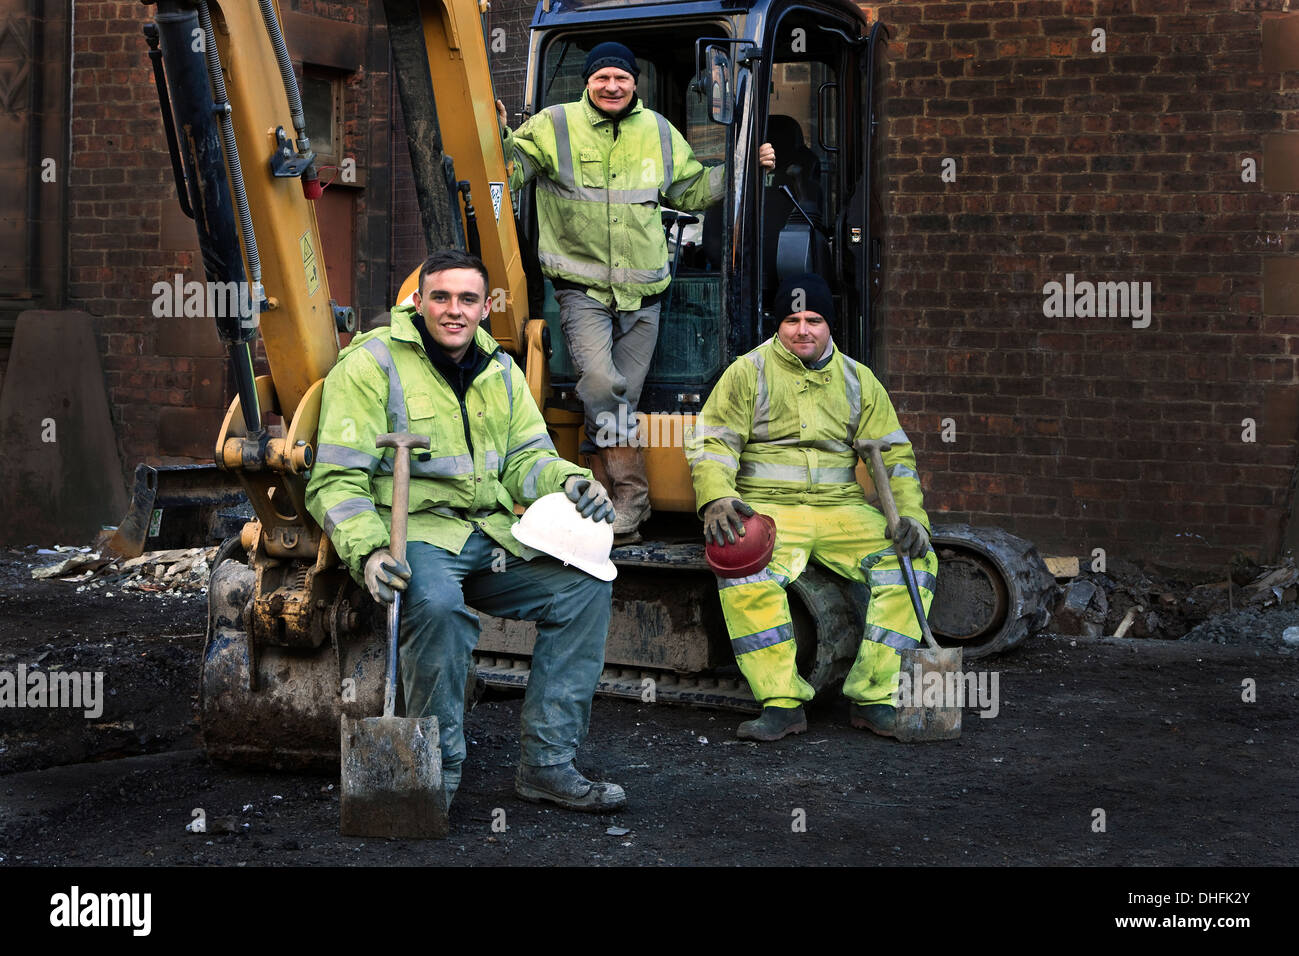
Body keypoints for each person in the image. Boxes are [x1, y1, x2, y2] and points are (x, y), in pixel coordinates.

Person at [305, 249, 626, 812]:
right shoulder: (372, 365)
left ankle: (547, 764)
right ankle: (436, 772)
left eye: (468, 299)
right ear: (420, 301)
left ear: (484, 306)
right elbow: (335, 481)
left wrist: (569, 480)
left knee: (584, 588)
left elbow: (528, 459)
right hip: (414, 533)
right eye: (442, 297)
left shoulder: (499, 369)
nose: (455, 311)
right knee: (436, 605)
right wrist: (372, 552)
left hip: (492, 533)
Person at [497, 41, 775, 541]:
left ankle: (599, 495)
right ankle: (634, 497)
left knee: (619, 401)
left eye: (620, 78)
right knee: (603, 387)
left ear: (634, 83)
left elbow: (689, 191)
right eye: (602, 77)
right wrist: (494, 135)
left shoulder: (658, 132)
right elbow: (509, 173)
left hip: (644, 297)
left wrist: (743, 168)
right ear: (588, 82)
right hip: (582, 293)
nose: (611, 86)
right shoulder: (554, 125)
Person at [685, 273, 939, 741]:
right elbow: (713, 442)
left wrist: (912, 519)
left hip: (842, 510)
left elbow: (895, 459)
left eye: (814, 320)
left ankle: (874, 696)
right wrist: (716, 497)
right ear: (778, 325)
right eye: (792, 319)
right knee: (742, 567)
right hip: (771, 510)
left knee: (916, 562)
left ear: (829, 325)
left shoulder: (859, 381)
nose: (803, 329)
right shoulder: (748, 371)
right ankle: (782, 702)